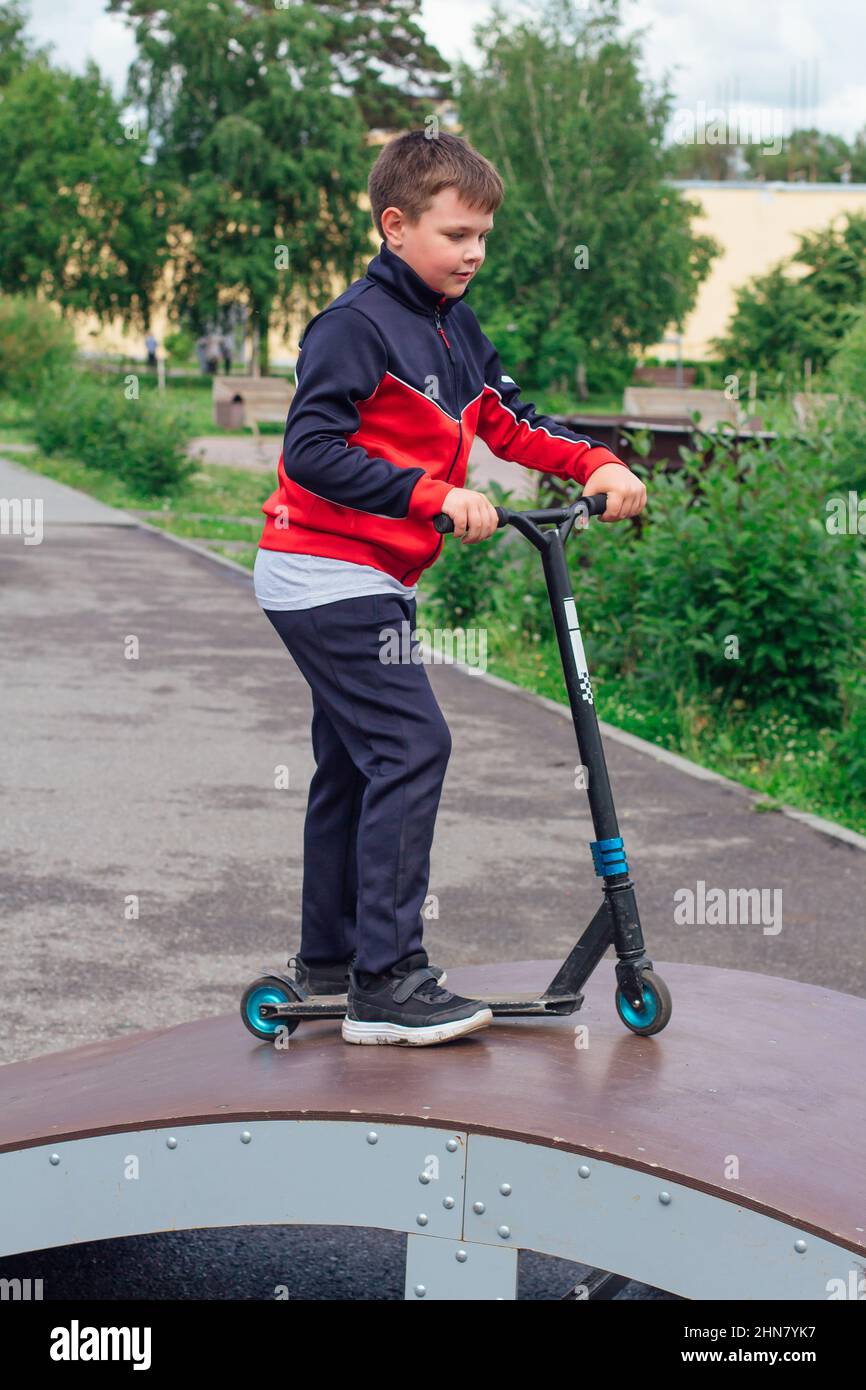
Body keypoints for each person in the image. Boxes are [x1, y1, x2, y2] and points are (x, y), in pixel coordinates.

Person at [255, 131, 646, 1047]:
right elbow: (309, 454)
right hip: (322, 568)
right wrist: (430, 494)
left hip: (371, 575)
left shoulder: (452, 322)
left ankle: (329, 961)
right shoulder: (353, 327)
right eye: (456, 233)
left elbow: (510, 422)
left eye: (484, 236)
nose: (474, 252)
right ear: (395, 226)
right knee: (412, 744)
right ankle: (386, 984)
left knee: (355, 763)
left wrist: (596, 461)